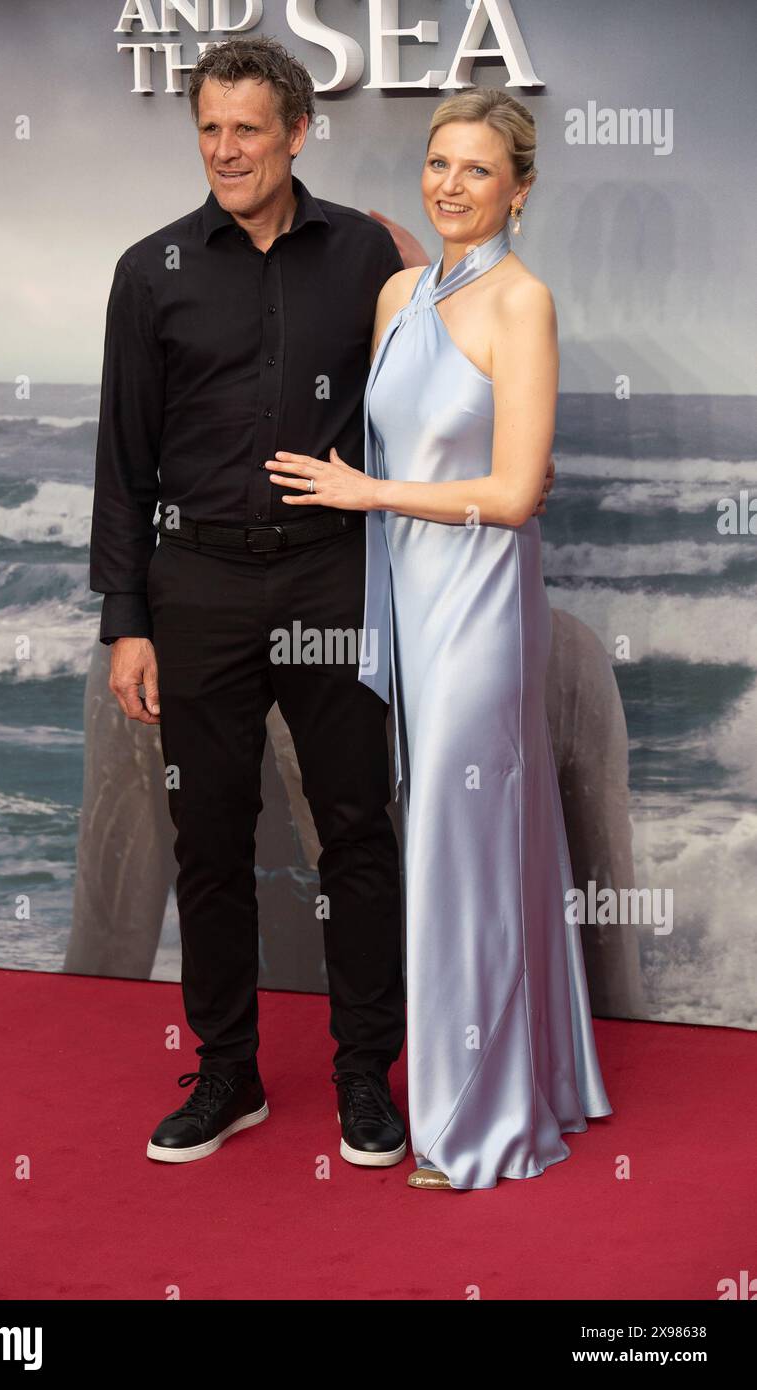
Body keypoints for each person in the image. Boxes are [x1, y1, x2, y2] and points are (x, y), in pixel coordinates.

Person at [89, 38, 554, 1169]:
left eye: (248, 129)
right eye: (208, 129)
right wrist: (127, 619)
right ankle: (229, 1074)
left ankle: (365, 1075)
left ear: (298, 131)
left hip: (331, 576)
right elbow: (123, 461)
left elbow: (441, 397)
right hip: (194, 584)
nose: (225, 150)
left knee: (354, 827)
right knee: (207, 834)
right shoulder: (147, 271)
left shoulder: (370, 260)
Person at [265, 88, 613, 1189]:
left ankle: (479, 1119)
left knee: (458, 849)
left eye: (474, 170)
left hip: (478, 612)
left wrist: (367, 491)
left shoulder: (524, 303)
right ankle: (537, 1070)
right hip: (405, 605)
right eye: (436, 164)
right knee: (466, 838)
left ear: (518, 187)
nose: (449, 185)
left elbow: (512, 495)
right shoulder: (398, 295)